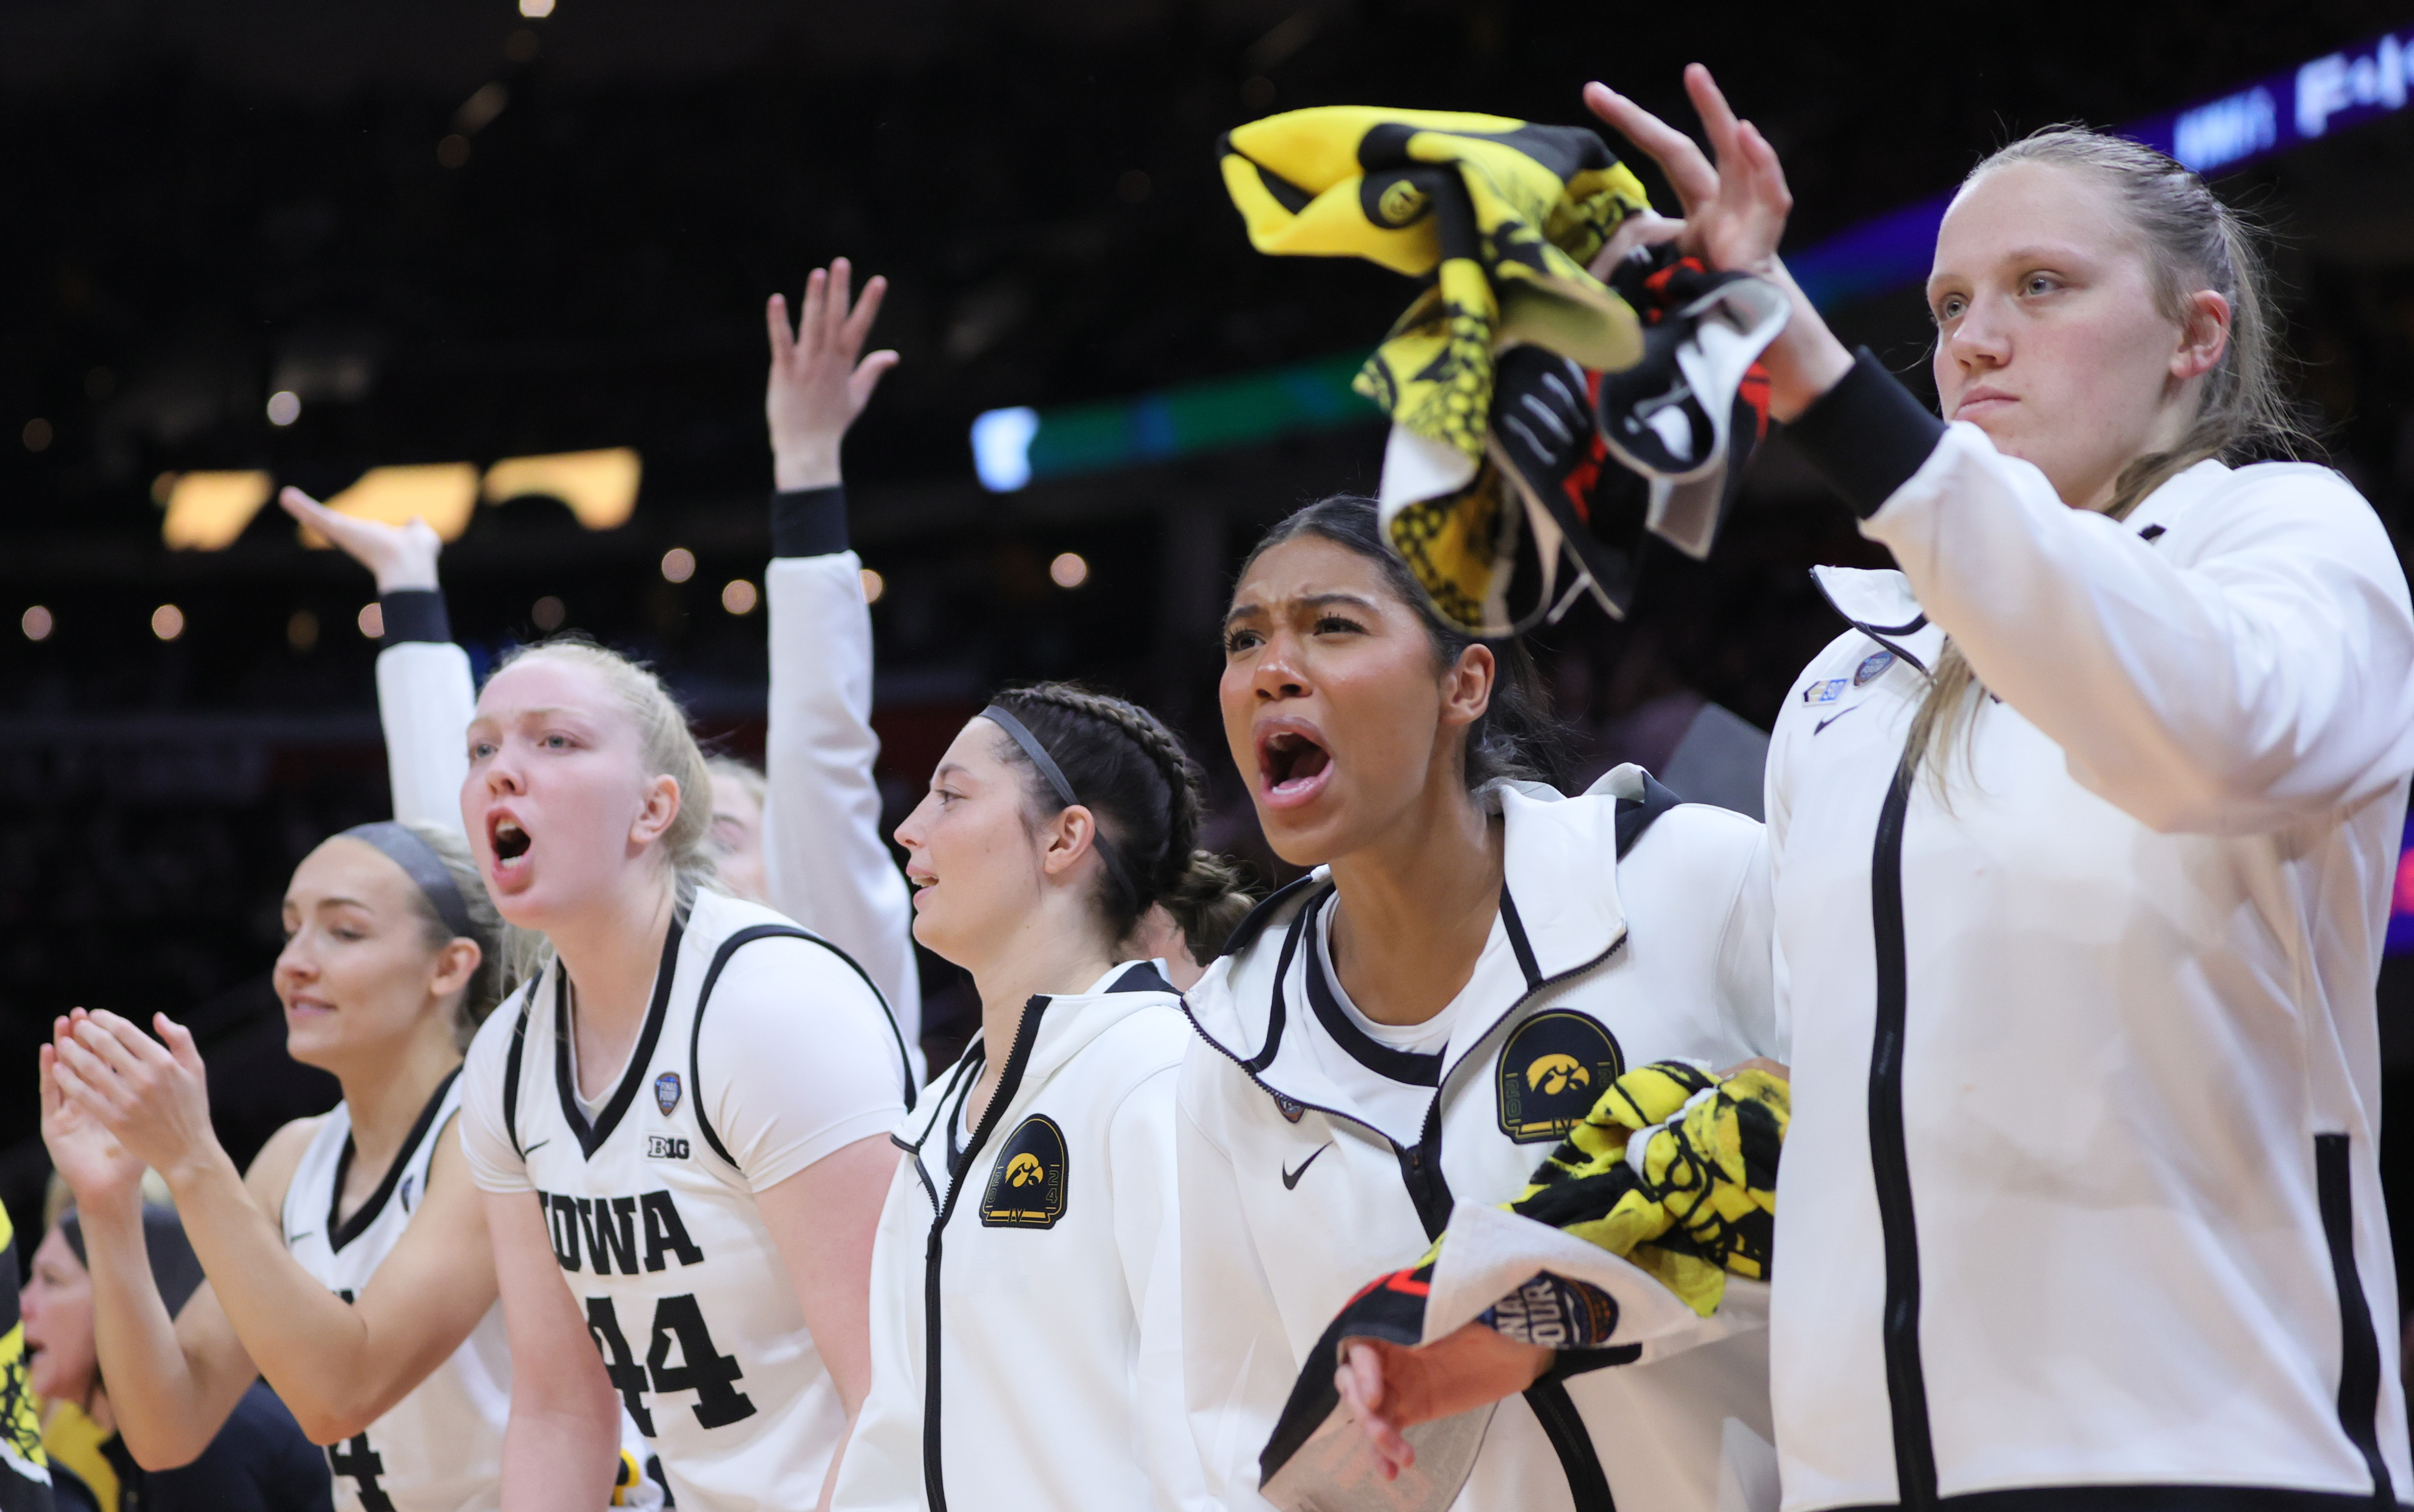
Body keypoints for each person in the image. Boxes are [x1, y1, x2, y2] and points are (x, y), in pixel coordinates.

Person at [1583, 65, 2414, 1509]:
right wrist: (1492, 1302)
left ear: (2189, 337)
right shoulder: (1843, 686)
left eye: (2038, 284)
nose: (1973, 339)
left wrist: (1830, 392)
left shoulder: (2284, 546)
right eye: (1950, 305)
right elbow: (1805, 1089)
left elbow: (2192, 729)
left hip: (2207, 1461)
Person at [1173, 493, 1780, 1512]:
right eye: (1244, 638)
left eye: (1331, 624)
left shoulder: (1690, 880)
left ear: (1463, 682)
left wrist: (1551, 1304)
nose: (1272, 666)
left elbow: (1881, 1195)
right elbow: (1238, 1430)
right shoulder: (1235, 1038)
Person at [287, 255, 923, 1068]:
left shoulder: (827, 962)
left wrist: (806, 467)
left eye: (725, 833)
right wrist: (407, 588)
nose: (696, 851)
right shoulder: (554, 1016)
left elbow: (823, 753)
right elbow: (453, 846)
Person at [38, 813, 658, 1509]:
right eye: (291, 928)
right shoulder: (294, 1157)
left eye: (344, 931)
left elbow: (344, 1392)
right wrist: (107, 1204)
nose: (294, 961)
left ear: (450, 966)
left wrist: (190, 1158)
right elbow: (165, 1429)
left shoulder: (496, 1133)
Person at [454, 633, 904, 1511]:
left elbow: (896, 1387)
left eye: (555, 741)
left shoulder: (770, 1003)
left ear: (653, 808)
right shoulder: (506, 1057)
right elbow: (557, 1408)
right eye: (481, 747)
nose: (502, 770)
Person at [829, 684, 1251, 1512]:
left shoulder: (1160, 1073)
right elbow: (893, 1435)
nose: (909, 827)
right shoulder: (938, 1112)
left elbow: (1212, 1439)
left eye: (950, 795)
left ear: (1066, 838)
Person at [19, 1204, 330, 1512]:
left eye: (50, 1280)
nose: (23, 1305)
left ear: (126, 1298)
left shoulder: (203, 1434)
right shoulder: (157, 1442)